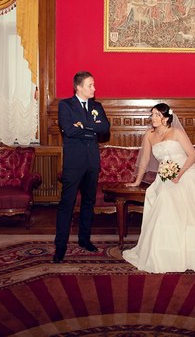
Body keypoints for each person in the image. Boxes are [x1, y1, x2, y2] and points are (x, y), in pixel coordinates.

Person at [122, 103, 195, 273]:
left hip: (186, 173)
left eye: (157, 115)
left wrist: (179, 174)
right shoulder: (149, 134)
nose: (153, 118)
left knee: (188, 210)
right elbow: (144, 159)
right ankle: (165, 253)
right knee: (162, 201)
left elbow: (192, 155)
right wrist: (137, 181)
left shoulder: (177, 132)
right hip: (165, 176)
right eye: (152, 114)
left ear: (165, 118)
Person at [53, 71, 110, 263]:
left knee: (88, 203)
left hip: (92, 162)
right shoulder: (65, 105)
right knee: (67, 205)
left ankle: (84, 240)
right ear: (79, 87)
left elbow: (105, 129)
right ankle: (60, 247)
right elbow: (69, 130)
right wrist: (92, 127)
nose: (94, 88)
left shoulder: (97, 106)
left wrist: (83, 126)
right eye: (90, 85)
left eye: (93, 85)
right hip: (73, 164)